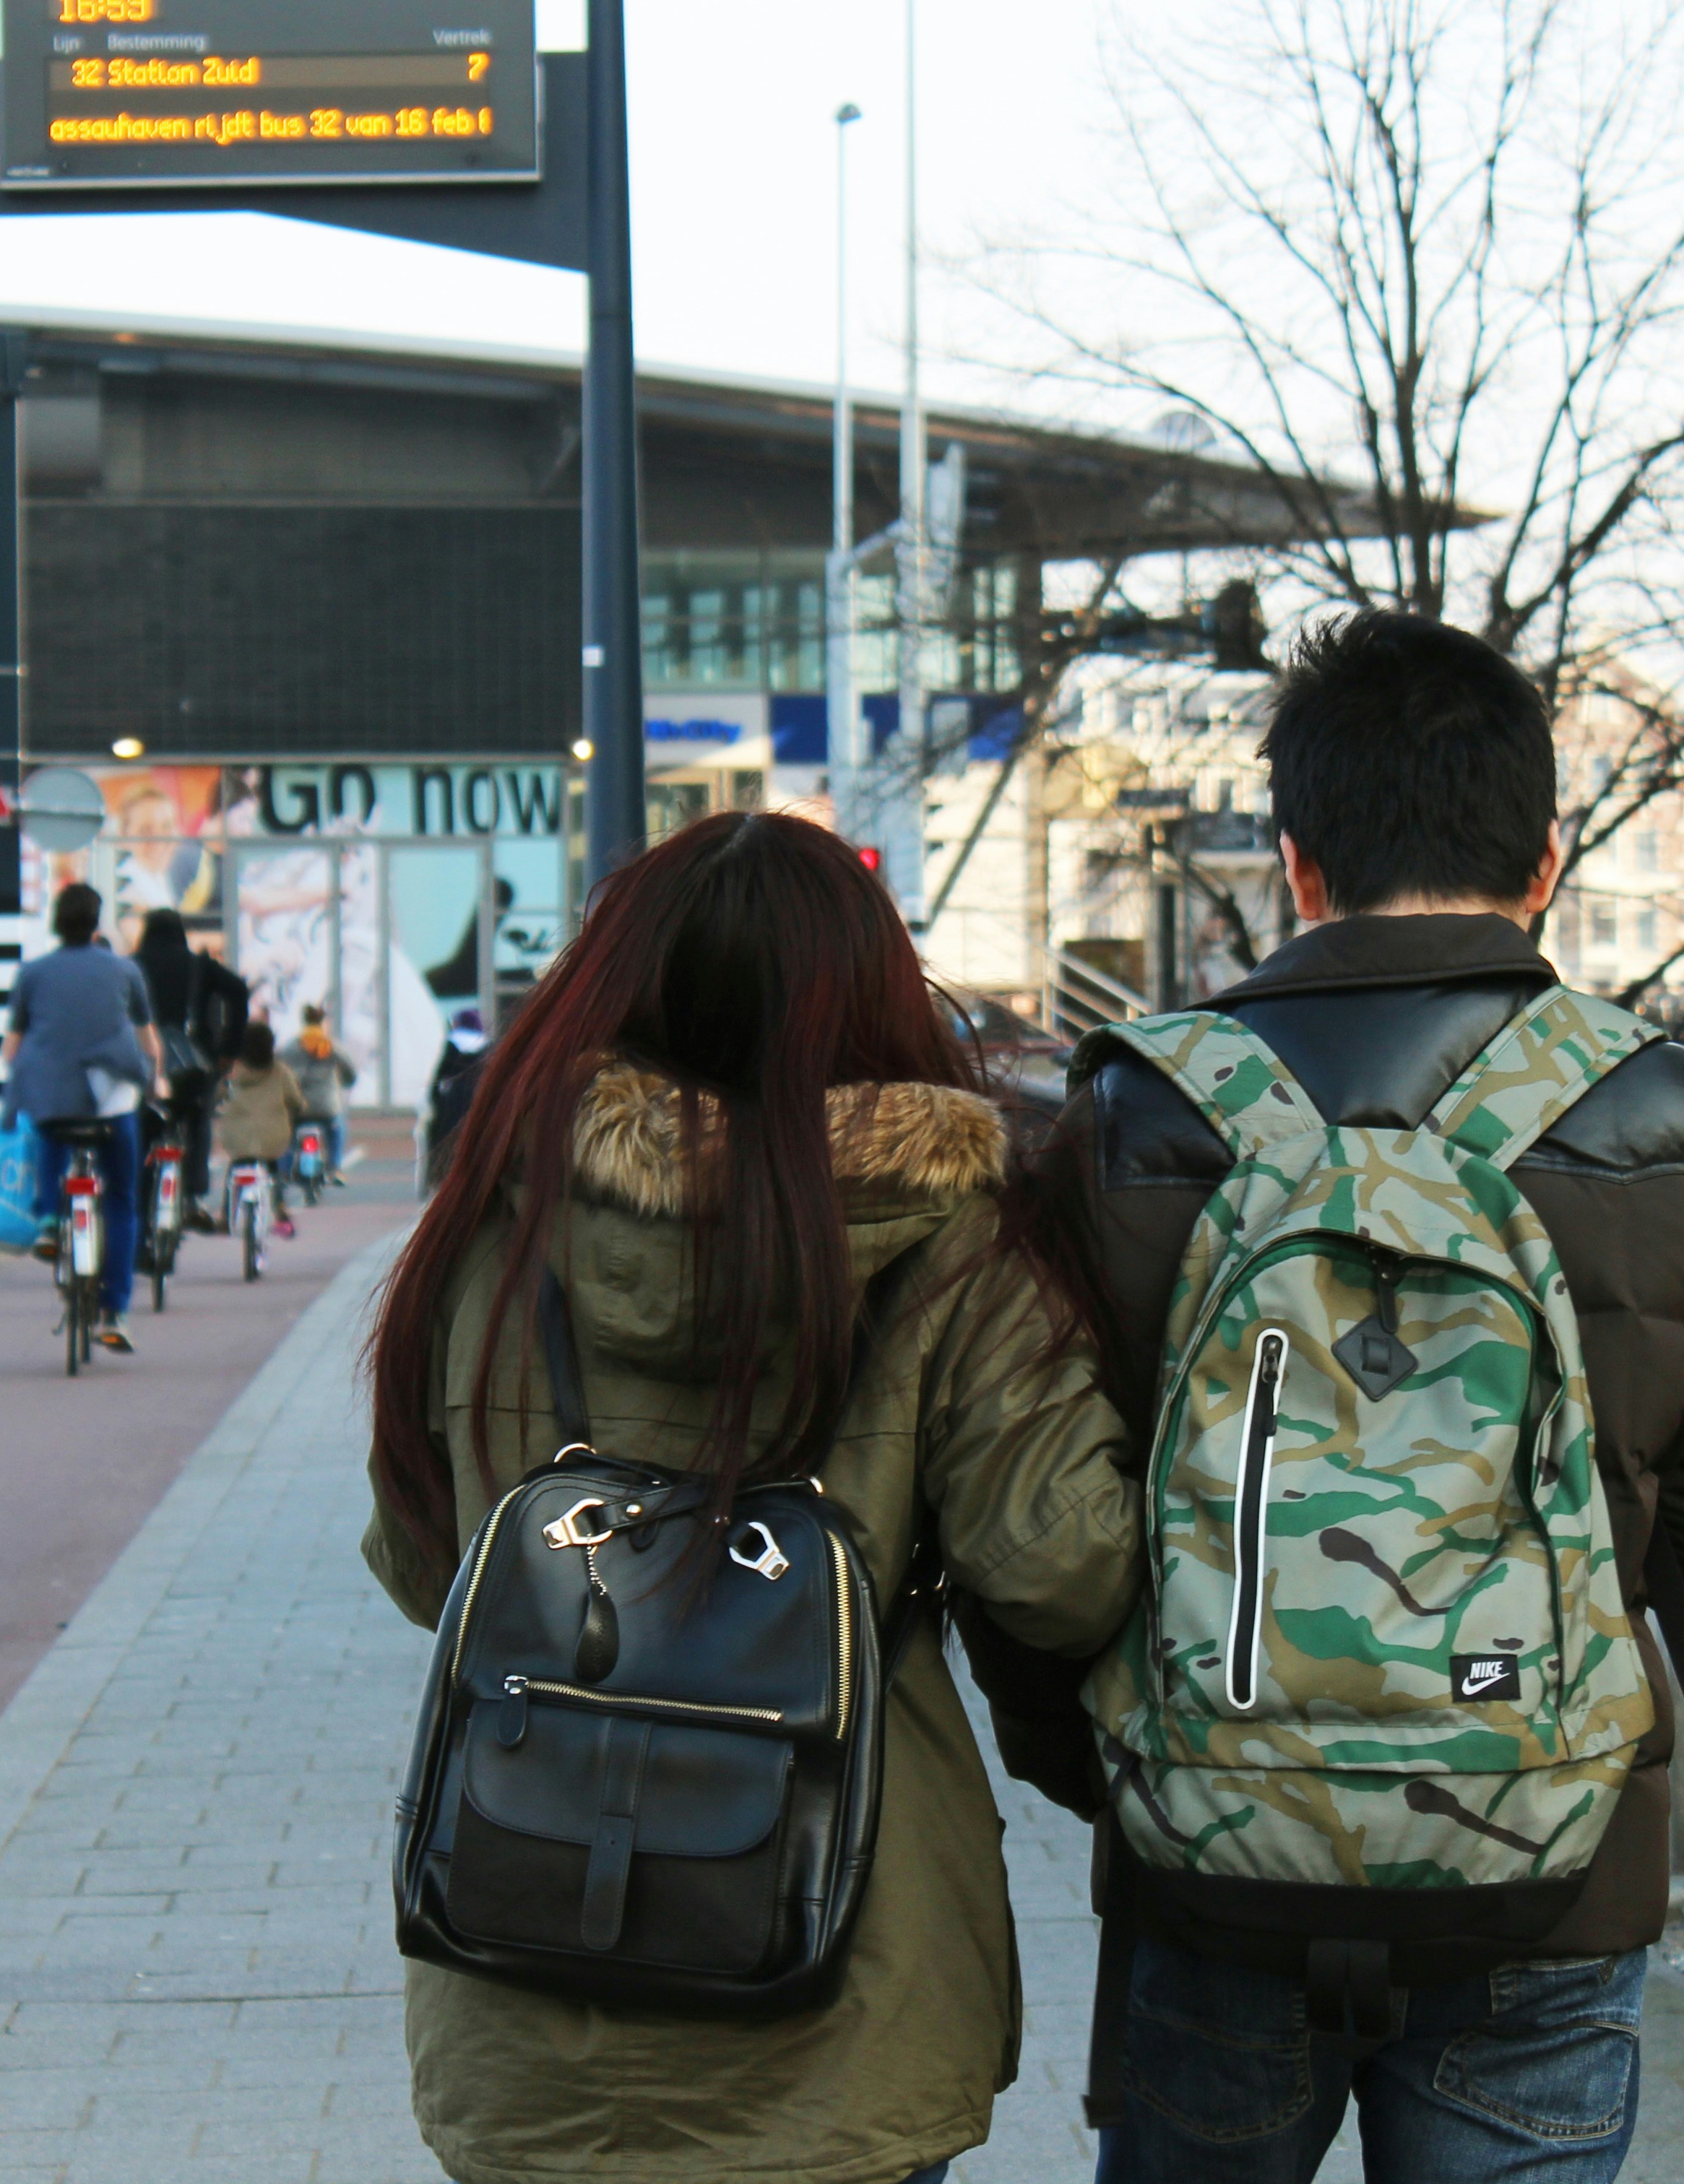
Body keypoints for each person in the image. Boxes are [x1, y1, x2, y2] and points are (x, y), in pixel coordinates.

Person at [1018, 610, 1684, 2184]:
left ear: (1298, 862)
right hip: (1548, 1855)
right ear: (1547, 862)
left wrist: (1133, 1743)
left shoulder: (1130, 1111)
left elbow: (1039, 1525)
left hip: (1210, 1849)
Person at [362, 806, 1142, 2184]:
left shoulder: (499, 1220)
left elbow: (433, 1572)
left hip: (531, 1964)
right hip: (840, 1975)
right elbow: (1058, 1574)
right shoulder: (952, 1241)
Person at [5, 883, 163, 1354]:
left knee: (49, 1127)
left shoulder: (32, 974)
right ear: (96, 924)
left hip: (56, 1102)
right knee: (121, 1199)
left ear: (57, 921)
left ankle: (52, 1221)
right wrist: (158, 1081)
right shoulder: (124, 970)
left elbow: (11, 1050)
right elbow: (149, 1044)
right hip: (112, 1105)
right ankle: (114, 1310)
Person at [131, 906, 233, 1232]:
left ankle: (142, 1199)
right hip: (191, 1067)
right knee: (197, 1119)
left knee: (144, 1128)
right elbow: (228, 1002)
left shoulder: (132, 966)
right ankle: (193, 1193)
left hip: (146, 1068)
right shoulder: (198, 966)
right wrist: (224, 1053)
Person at [211, 1023, 314, 1236]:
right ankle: (282, 1212)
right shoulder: (280, 1071)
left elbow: (218, 1096)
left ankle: (225, 1216)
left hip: (237, 1138)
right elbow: (297, 1102)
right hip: (273, 1137)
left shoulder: (233, 1072)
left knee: (235, 1168)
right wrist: (299, 1111)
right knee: (272, 1170)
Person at [279, 1002, 358, 1177]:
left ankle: (283, 1171)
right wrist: (346, 1082)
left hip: (298, 1107)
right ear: (323, 1022)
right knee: (336, 1127)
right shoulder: (331, 1046)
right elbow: (350, 1073)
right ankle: (335, 1167)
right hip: (326, 1108)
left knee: (287, 1135)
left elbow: (278, 1070)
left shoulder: (290, 1047)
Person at [419, 1005, 489, 1187]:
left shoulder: (453, 1044)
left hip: (455, 1097)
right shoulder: (487, 1045)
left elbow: (440, 1074)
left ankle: (441, 1174)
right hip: (480, 1096)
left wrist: (435, 1101)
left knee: (445, 1134)